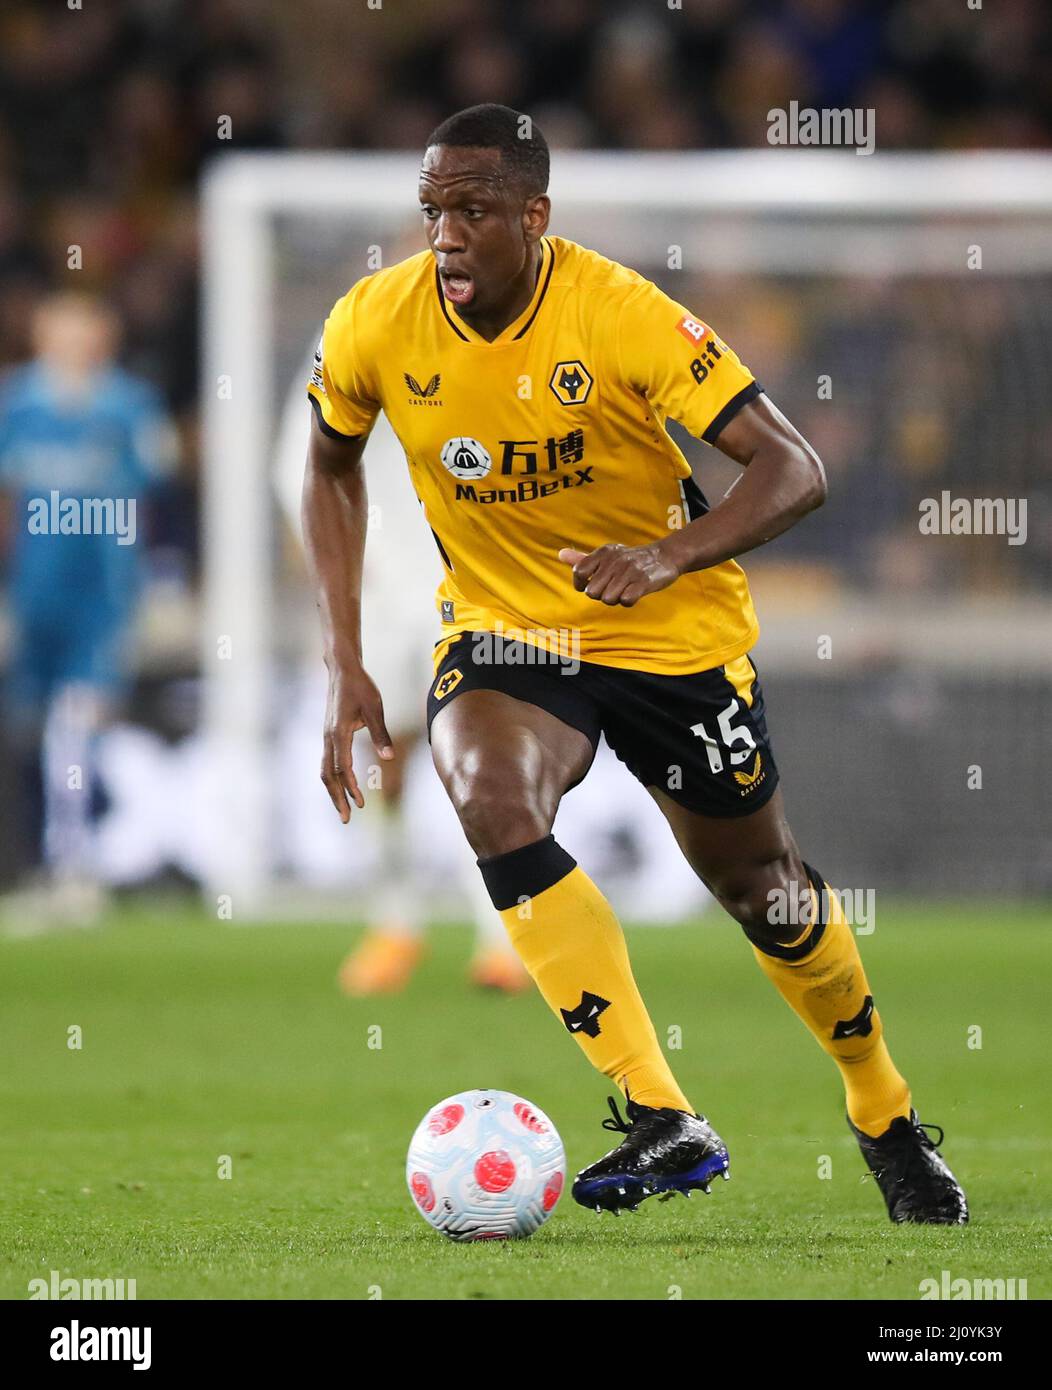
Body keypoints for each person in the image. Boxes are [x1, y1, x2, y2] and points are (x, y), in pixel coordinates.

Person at [301, 104, 967, 1223]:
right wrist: (344, 660)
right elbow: (330, 465)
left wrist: (664, 555)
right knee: (488, 797)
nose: (445, 237)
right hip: (509, 629)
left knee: (766, 895)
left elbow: (791, 469)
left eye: (471, 211)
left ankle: (880, 1109)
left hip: (668, 633)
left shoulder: (619, 314)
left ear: (534, 215)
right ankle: (661, 1114)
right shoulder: (375, 320)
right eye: (430, 212)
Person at [0, 292, 174, 925]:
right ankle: (44, 860)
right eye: (62, 331)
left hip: (101, 595)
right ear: (41, 334)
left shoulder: (129, 406)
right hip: (32, 593)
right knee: (32, 730)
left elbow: (153, 494)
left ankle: (72, 864)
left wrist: (151, 579)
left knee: (75, 729)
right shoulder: (16, 404)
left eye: (86, 332)